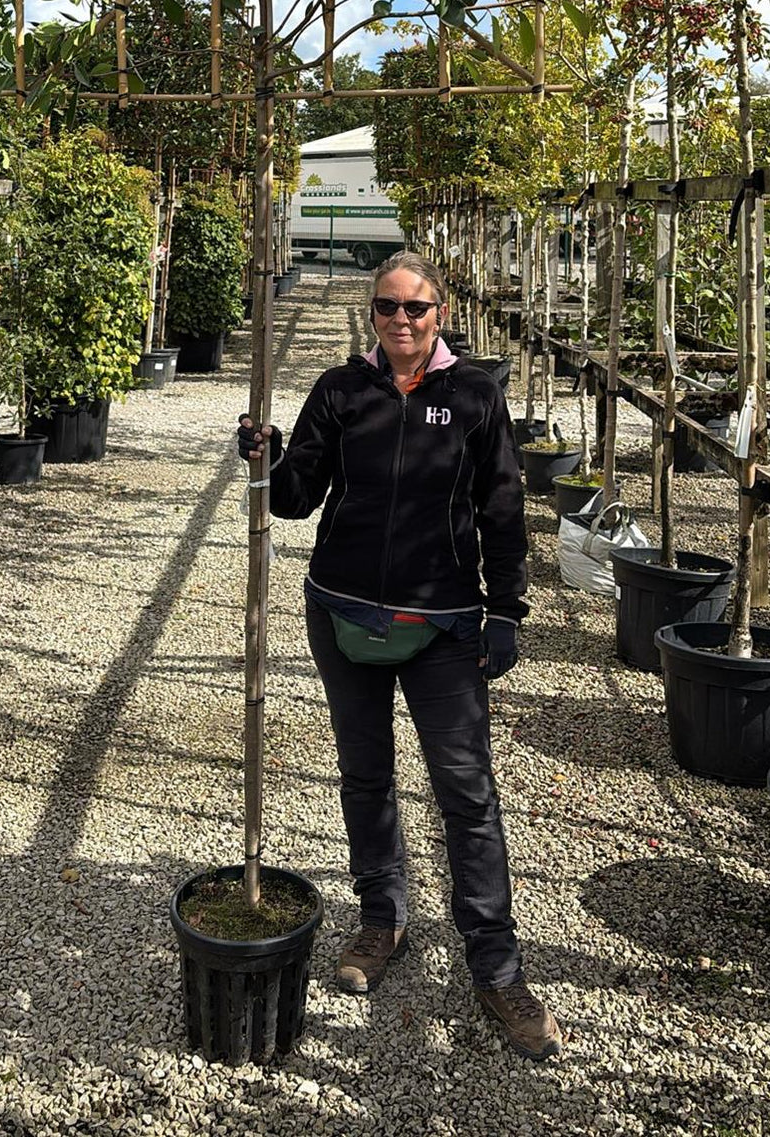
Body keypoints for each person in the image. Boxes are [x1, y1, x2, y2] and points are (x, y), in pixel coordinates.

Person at [238, 250, 561, 1063]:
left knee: (465, 791)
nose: (400, 320)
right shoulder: (341, 391)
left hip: (444, 624)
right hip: (343, 611)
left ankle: (496, 965)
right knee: (364, 775)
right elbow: (296, 497)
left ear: (439, 313)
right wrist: (263, 458)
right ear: (373, 313)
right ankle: (382, 919)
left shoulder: (476, 396)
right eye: (386, 306)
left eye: (415, 308)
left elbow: (501, 507)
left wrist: (506, 609)